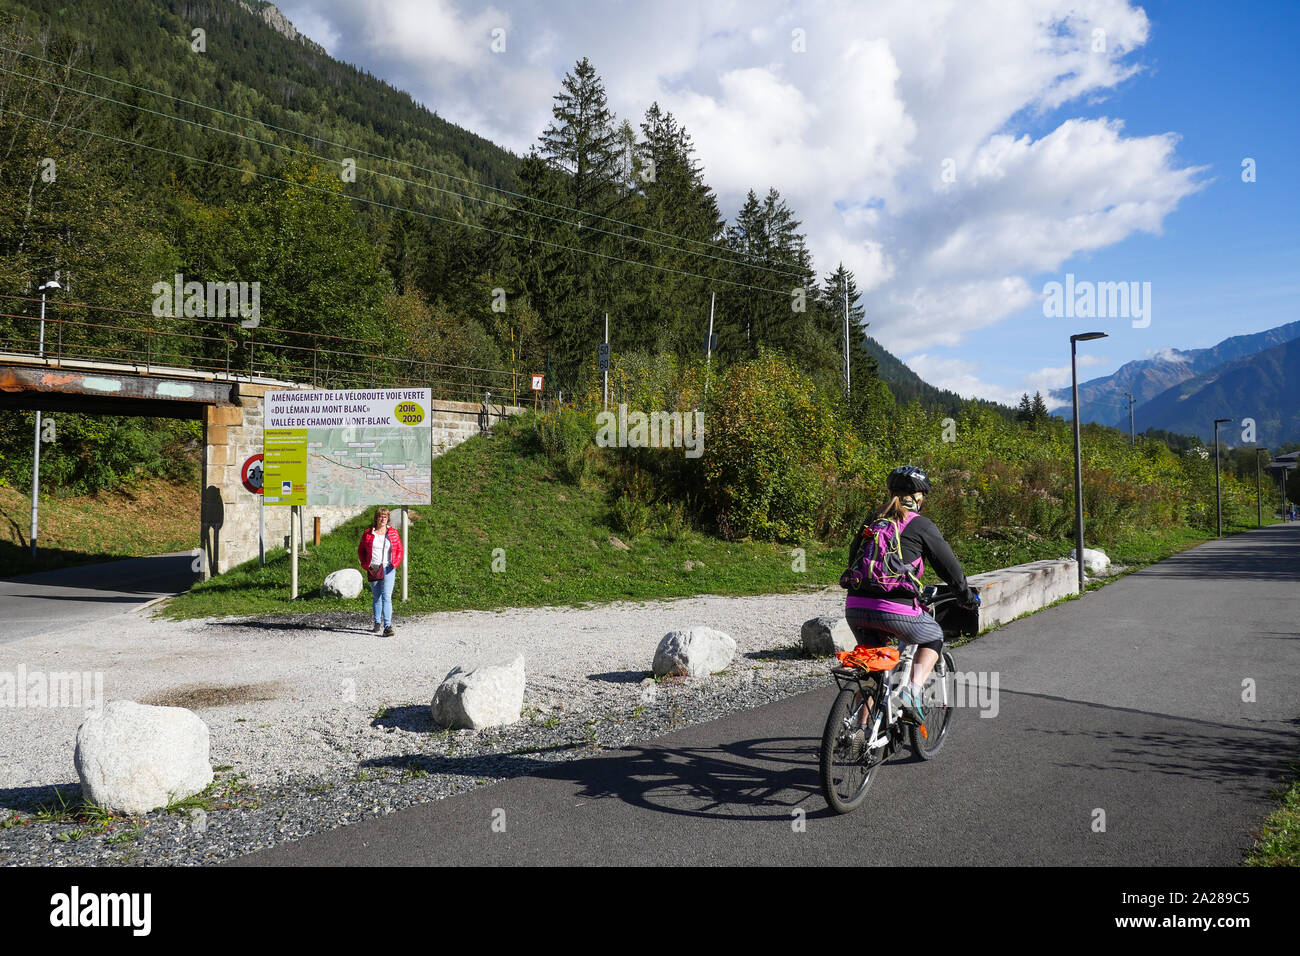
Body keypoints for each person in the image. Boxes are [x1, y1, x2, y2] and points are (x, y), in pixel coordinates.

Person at [843, 465, 977, 725]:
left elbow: (853, 559)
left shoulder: (872, 520)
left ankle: (858, 733)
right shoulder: (922, 525)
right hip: (896, 609)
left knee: (873, 667)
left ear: (891, 492)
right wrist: (966, 598)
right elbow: (951, 570)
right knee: (933, 636)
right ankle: (911, 694)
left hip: (855, 605)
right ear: (918, 497)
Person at [358, 507, 403, 636]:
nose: (382, 519)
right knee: (376, 597)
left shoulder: (393, 533)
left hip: (388, 568)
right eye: (380, 516)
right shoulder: (368, 533)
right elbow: (361, 550)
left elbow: (399, 549)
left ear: (388, 519)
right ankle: (377, 622)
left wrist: (395, 563)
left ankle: (388, 626)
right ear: (376, 518)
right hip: (374, 568)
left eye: (385, 516)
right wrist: (365, 565)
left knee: (387, 597)